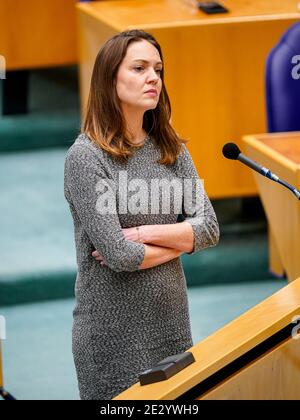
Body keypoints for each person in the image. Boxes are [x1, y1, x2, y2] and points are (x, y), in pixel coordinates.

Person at [64, 29, 219, 400]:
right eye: (139, 68)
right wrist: (182, 240)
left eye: (158, 69)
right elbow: (119, 256)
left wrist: (142, 233)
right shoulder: (87, 158)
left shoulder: (170, 147)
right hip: (111, 335)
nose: (153, 77)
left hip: (171, 324)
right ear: (109, 78)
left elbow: (210, 228)